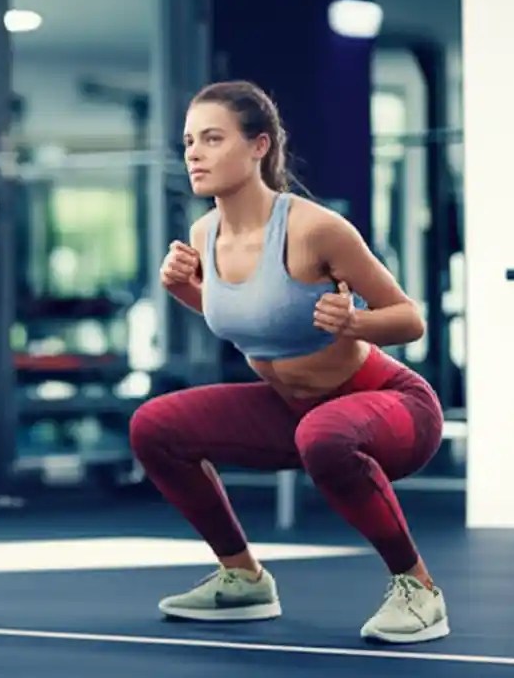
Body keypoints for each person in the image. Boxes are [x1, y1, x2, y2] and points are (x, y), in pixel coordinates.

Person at [129, 80, 448, 645]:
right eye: (189, 142)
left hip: (392, 407)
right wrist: (184, 290)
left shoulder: (314, 229)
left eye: (213, 139)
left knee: (324, 434)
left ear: (260, 146)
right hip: (294, 410)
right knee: (154, 426)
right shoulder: (204, 233)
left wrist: (355, 322)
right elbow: (255, 319)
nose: (195, 154)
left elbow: (409, 319)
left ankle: (418, 589)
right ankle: (243, 578)